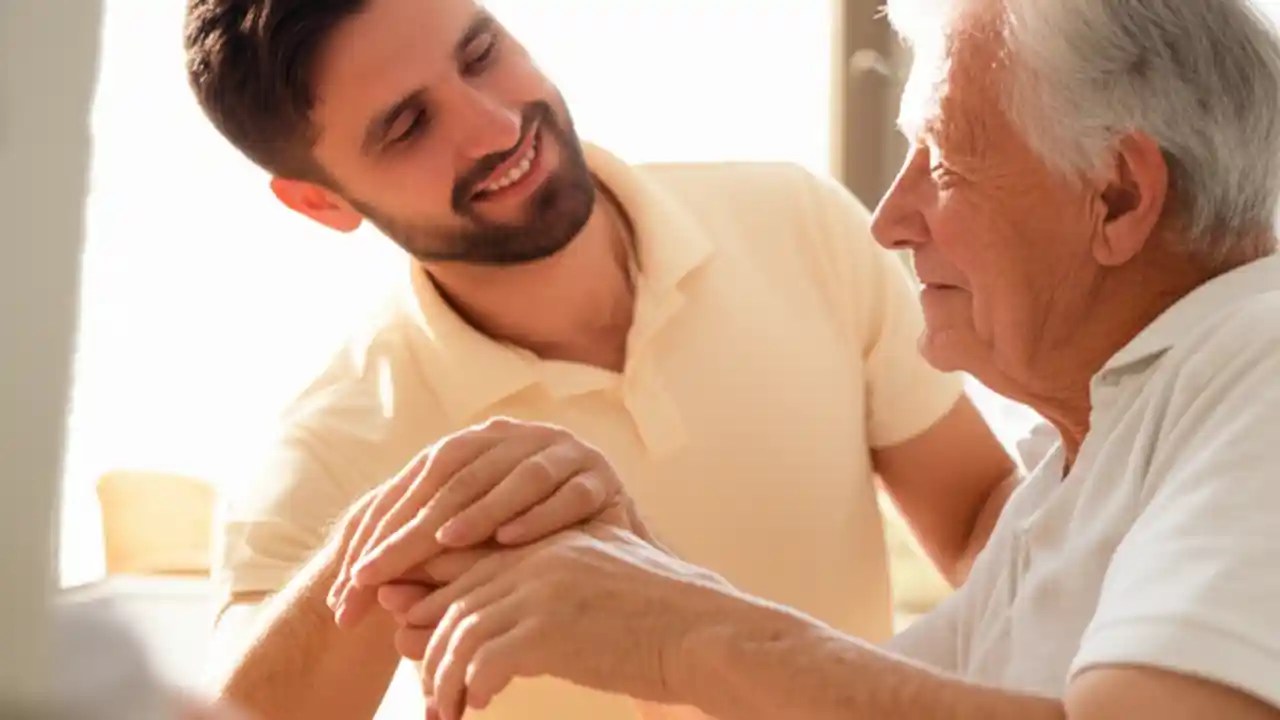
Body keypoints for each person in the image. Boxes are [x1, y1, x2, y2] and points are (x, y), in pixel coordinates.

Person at [349, 0, 1280, 718]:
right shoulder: (1086, 461)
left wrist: (682, 628)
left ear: (1117, 195)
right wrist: (638, 580)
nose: (889, 219)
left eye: (942, 161)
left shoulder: (1259, 358)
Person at [182, 0, 1018, 718]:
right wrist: (398, 532)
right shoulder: (333, 440)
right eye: (407, 126)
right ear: (319, 200)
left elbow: (982, 513)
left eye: (481, 54)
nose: (497, 125)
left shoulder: (798, 221)